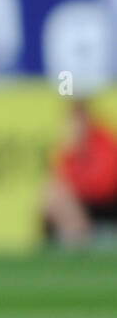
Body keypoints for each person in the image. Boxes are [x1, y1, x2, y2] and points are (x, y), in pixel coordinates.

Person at [42, 101, 117, 246]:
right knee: (53, 193)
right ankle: (73, 244)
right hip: (81, 204)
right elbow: (61, 178)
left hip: (106, 204)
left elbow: (104, 185)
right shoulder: (70, 150)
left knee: (60, 195)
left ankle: (83, 241)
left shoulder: (103, 142)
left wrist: (76, 189)